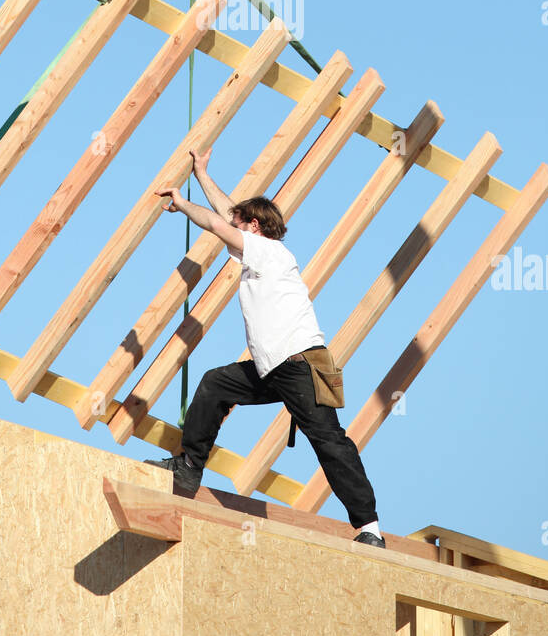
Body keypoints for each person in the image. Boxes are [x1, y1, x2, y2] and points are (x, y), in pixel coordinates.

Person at [145, 146, 386, 547]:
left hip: (300, 366)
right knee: (215, 385)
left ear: (253, 227)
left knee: (329, 441)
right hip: (272, 368)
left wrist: (184, 203)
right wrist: (203, 173)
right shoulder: (257, 251)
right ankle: (189, 466)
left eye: (240, 225)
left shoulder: (270, 251)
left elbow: (221, 225)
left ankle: (370, 528)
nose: (232, 229)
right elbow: (227, 216)